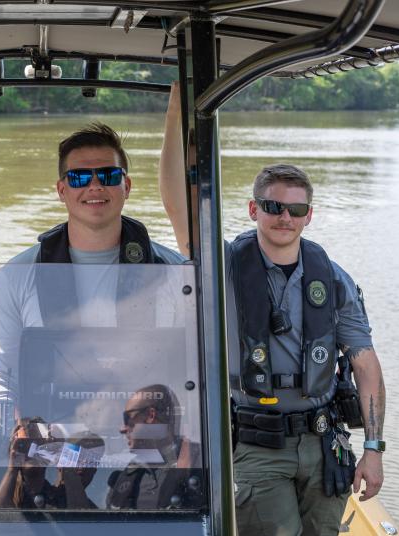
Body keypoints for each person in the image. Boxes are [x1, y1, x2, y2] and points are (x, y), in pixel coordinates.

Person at [159, 83, 386, 535]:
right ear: (253, 210)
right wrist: (179, 99)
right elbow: (177, 200)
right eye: (273, 206)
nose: (285, 217)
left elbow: (366, 365)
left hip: (325, 443)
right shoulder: (221, 267)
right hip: (256, 447)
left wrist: (374, 448)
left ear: (309, 215)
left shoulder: (333, 278)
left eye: (296, 209)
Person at [0, 123, 184, 402]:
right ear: (62, 191)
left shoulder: (172, 272)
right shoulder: (17, 276)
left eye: (108, 175)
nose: (95, 185)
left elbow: (195, 367)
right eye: (79, 178)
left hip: (148, 433)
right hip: (46, 436)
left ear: (126, 186)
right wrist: (7, 421)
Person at [106, 384, 201, 510]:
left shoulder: (203, 461)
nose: (122, 429)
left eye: (127, 418)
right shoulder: (124, 478)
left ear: (151, 416)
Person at [0, 419, 104, 509]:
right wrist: (12, 470)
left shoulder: (62, 498)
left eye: (39, 444)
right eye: (24, 444)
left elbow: (83, 524)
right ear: (12, 449)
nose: (31, 449)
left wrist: (64, 458)